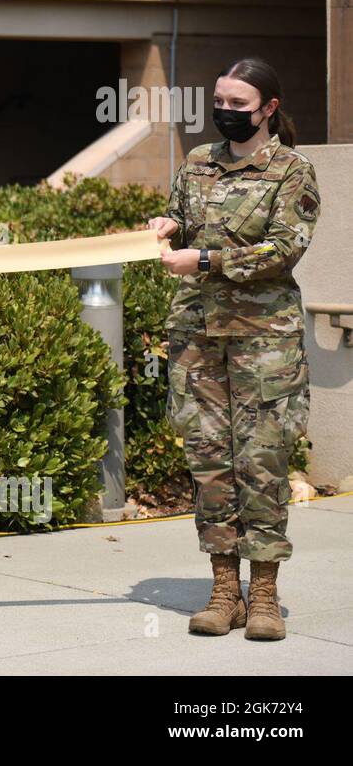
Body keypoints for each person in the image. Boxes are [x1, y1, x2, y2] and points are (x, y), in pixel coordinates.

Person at [149, 56, 319, 642]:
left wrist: (205, 260)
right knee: (210, 464)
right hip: (197, 336)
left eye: (238, 105)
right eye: (219, 101)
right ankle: (224, 590)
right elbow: (180, 218)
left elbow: (283, 249)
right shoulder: (197, 163)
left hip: (264, 341)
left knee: (263, 463)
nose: (225, 112)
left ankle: (265, 592)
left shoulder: (293, 171)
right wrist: (165, 227)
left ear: (268, 109)